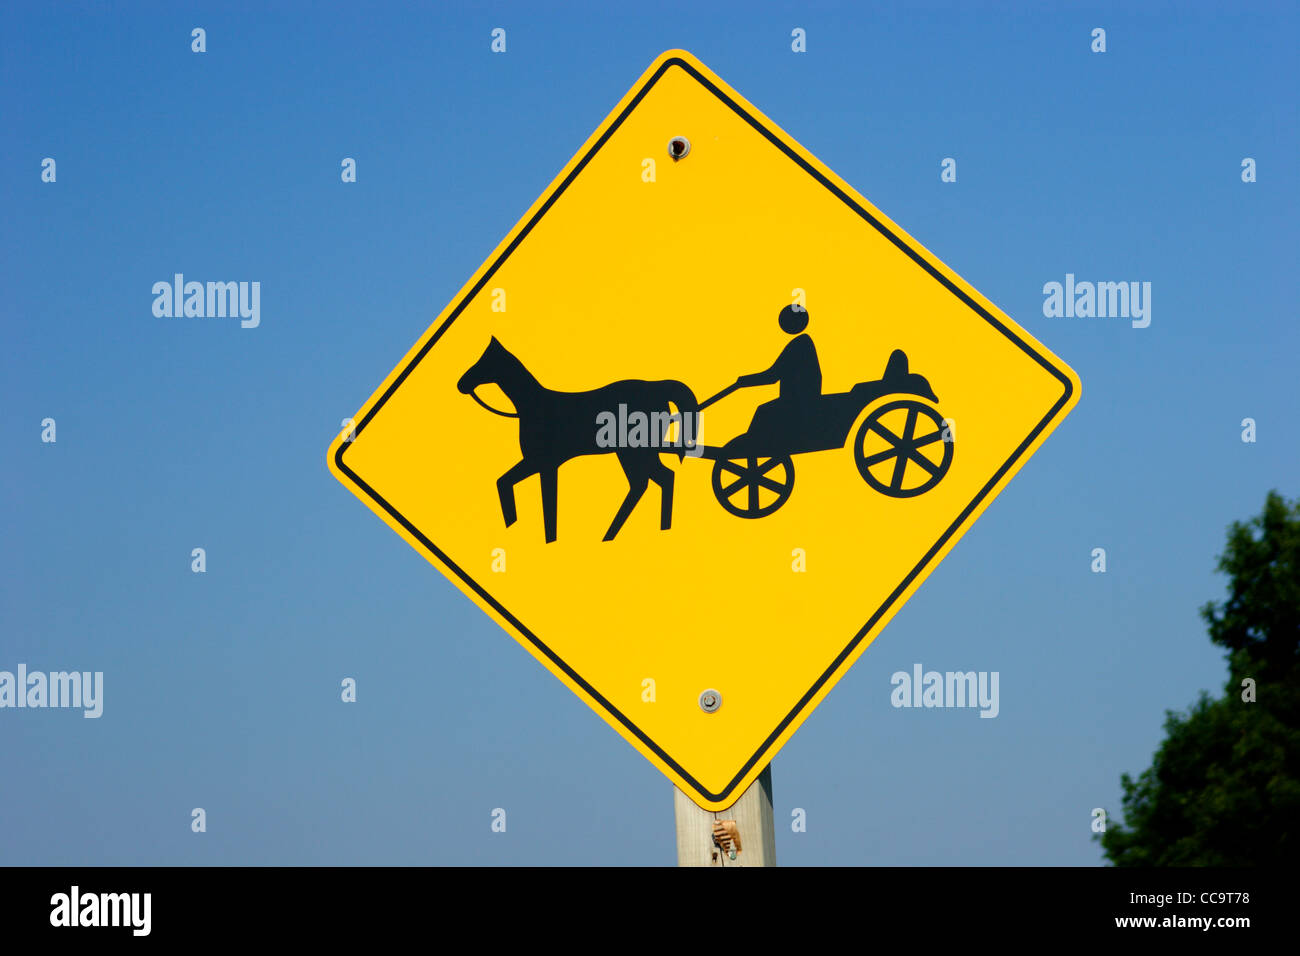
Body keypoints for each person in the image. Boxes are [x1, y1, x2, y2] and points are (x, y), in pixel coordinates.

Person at [732, 304, 823, 445]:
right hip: (799, 400)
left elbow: (772, 376)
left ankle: (755, 445)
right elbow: (774, 374)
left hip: (799, 403)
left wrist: (744, 381)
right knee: (765, 411)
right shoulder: (802, 342)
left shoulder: (799, 345)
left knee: (763, 412)